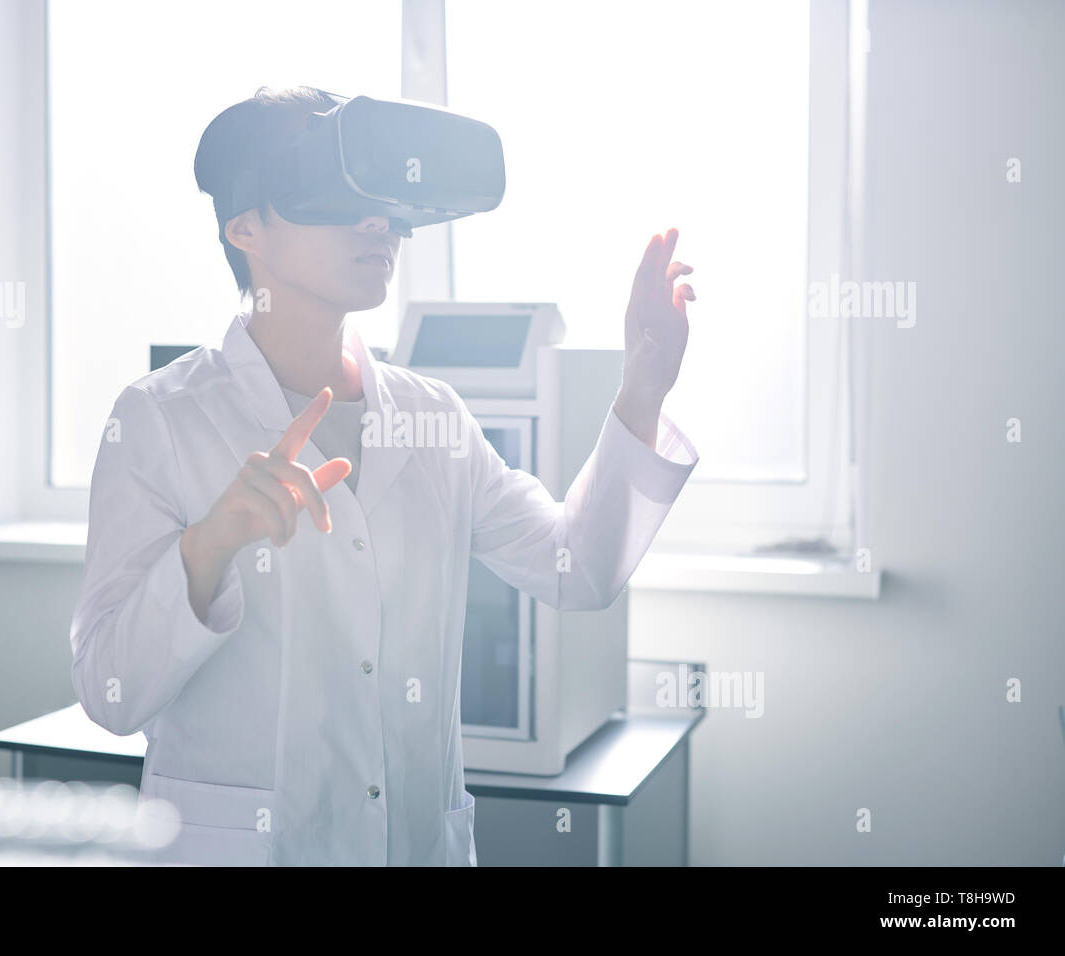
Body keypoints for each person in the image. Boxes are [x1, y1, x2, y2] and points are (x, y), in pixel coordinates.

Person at [69, 86, 699, 866]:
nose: (377, 221)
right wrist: (209, 548)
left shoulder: (432, 418)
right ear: (246, 229)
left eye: (382, 198)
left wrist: (643, 386)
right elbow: (109, 693)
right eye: (338, 195)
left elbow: (578, 568)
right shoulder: (158, 421)